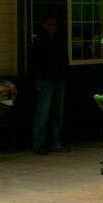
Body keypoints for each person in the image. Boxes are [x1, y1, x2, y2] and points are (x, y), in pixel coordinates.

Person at [29, 15, 70, 154]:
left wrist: (64, 73)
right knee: (43, 114)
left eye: (55, 24)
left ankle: (55, 142)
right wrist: (43, 75)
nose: (54, 27)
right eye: (51, 24)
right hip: (45, 81)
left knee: (58, 114)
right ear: (45, 25)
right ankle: (39, 143)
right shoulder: (39, 41)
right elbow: (35, 61)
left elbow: (65, 58)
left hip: (59, 80)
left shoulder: (59, 40)